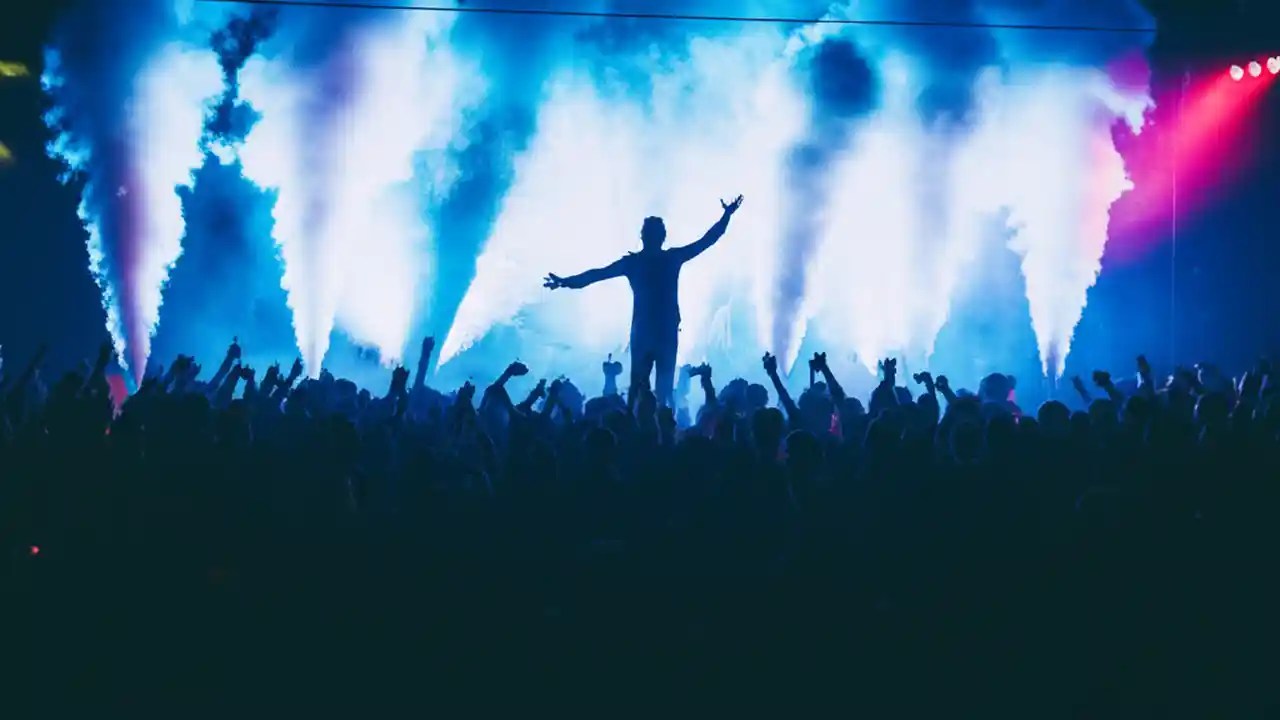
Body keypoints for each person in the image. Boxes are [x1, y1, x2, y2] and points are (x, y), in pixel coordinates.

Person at [543, 195, 744, 407]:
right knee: (661, 391)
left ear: (642, 236)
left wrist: (565, 282)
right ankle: (659, 429)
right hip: (663, 331)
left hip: (644, 331)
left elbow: (595, 275)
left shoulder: (635, 263)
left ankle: (635, 425)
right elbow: (708, 240)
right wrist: (726, 215)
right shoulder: (669, 259)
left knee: (639, 388)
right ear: (663, 236)